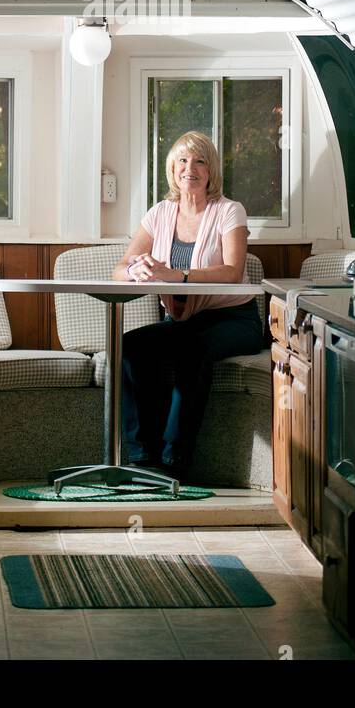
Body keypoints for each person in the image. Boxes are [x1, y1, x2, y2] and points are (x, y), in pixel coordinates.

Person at [112, 131, 263, 482]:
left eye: (199, 161)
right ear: (172, 168)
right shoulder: (159, 214)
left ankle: (174, 460)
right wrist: (140, 269)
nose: (189, 168)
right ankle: (141, 456)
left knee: (192, 350)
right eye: (182, 160)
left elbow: (233, 272)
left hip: (234, 320)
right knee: (129, 348)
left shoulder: (229, 211)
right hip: (182, 321)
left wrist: (173, 273)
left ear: (210, 171)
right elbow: (119, 270)